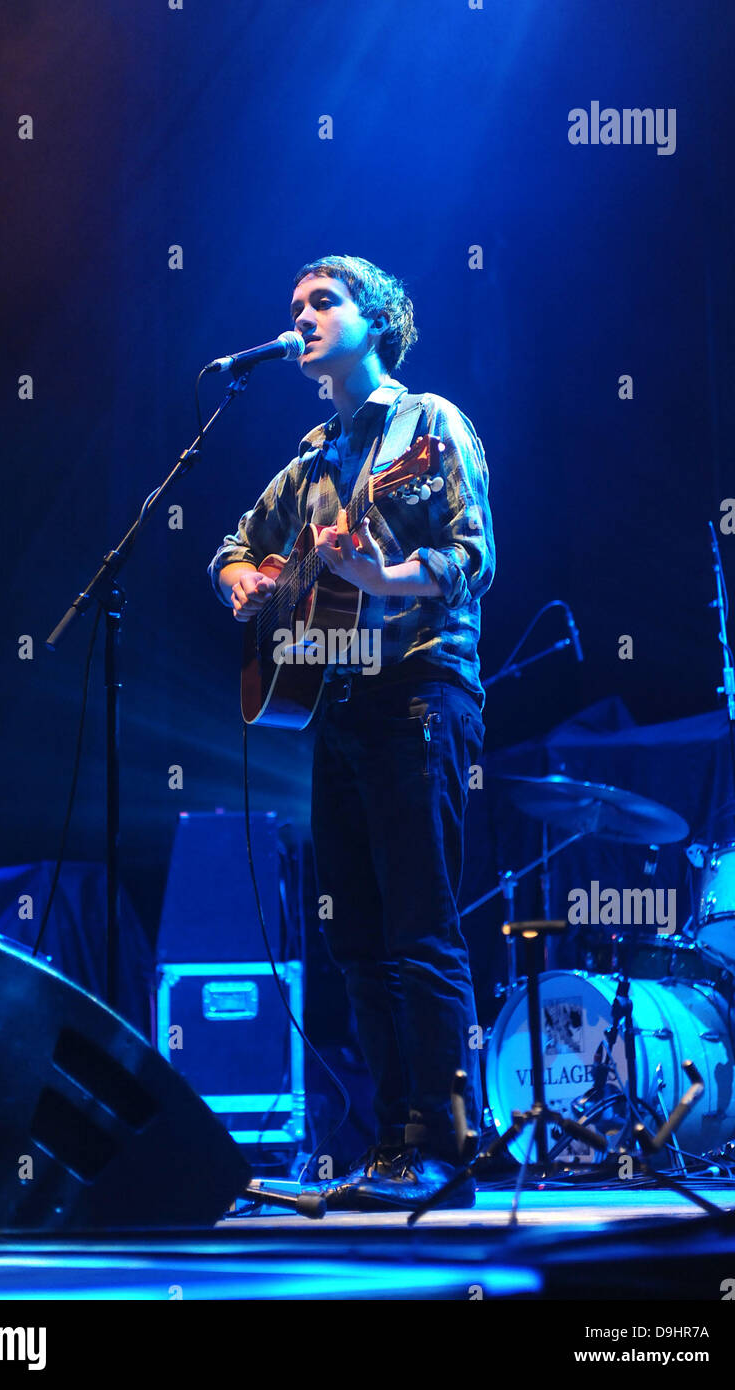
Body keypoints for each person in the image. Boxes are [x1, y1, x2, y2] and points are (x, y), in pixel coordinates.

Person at [208, 254, 495, 1207]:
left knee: (420, 923)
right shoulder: (309, 462)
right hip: (336, 706)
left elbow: (470, 557)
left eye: (323, 303)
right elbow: (232, 547)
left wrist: (382, 579)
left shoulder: (429, 427)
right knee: (356, 939)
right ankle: (391, 1145)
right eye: (293, 306)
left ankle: (453, 1138)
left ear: (376, 319)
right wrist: (241, 579)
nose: (301, 319)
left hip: (419, 688)